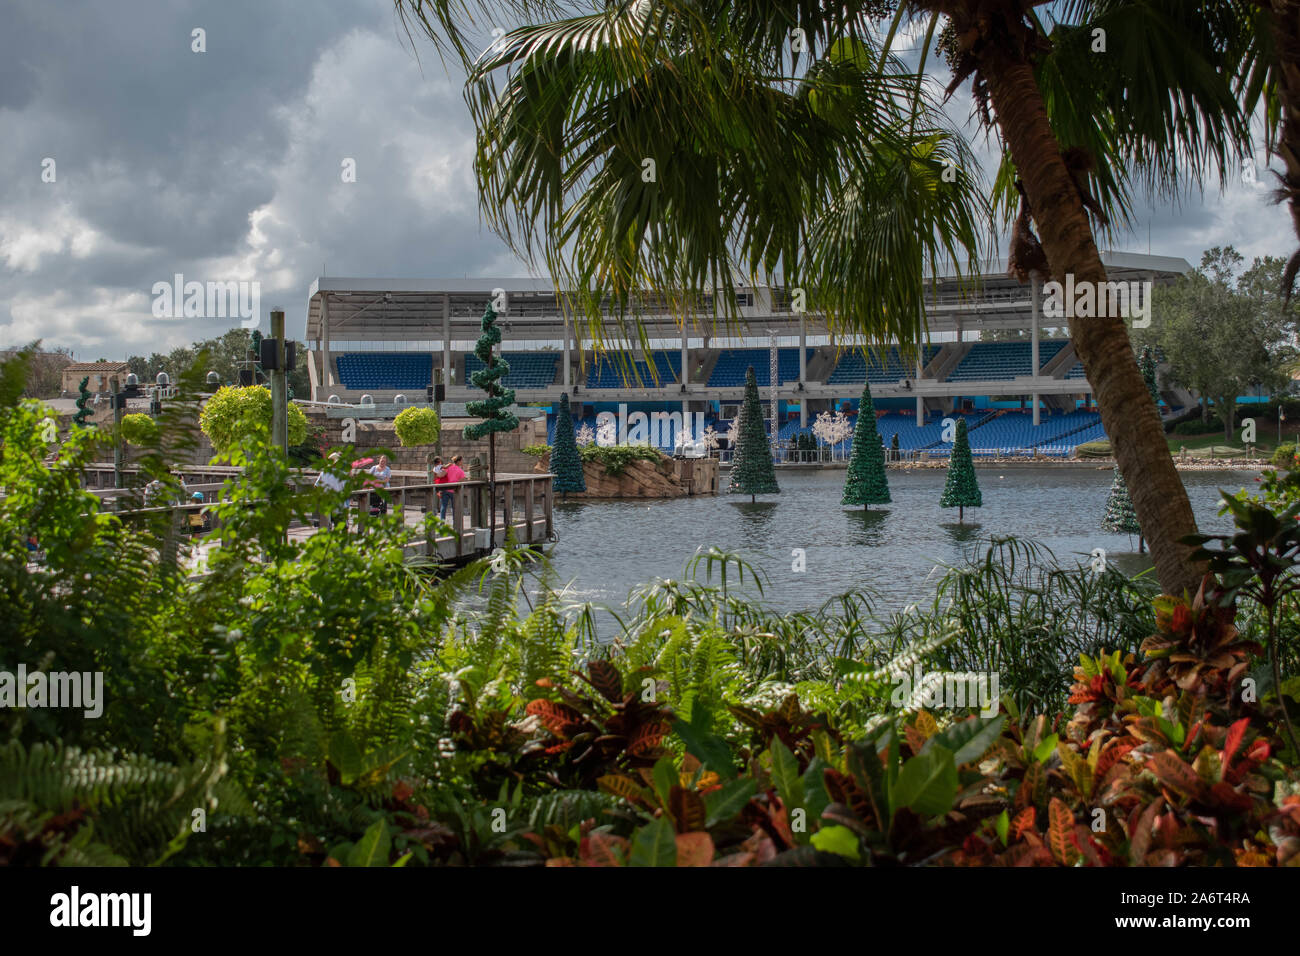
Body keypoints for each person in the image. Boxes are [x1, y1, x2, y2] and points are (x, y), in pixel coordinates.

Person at [441, 455, 466, 521]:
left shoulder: (448, 467)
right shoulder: (461, 471)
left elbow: (442, 475)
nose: (462, 462)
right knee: (454, 508)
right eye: (462, 461)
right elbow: (462, 480)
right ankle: (455, 522)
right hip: (454, 491)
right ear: (459, 462)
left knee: (443, 507)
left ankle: (442, 523)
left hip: (445, 489)